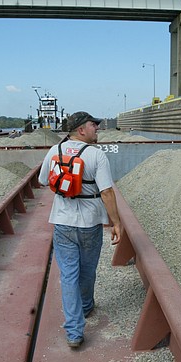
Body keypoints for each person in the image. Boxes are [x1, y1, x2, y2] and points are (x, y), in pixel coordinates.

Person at [38, 111, 122, 349]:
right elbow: (107, 192)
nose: (97, 128)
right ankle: (86, 306)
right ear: (81, 130)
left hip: (63, 222)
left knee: (68, 275)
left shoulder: (55, 151)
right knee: (87, 271)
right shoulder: (96, 155)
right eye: (93, 125)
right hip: (90, 223)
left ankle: (74, 332)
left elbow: (43, 180)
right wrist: (116, 223)